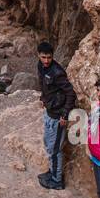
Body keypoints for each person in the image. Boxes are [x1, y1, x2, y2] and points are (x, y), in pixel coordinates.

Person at [35, 40, 75, 190]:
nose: (46, 61)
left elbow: (70, 93)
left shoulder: (57, 72)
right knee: (48, 144)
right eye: (43, 57)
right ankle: (52, 172)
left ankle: (57, 180)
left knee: (55, 149)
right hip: (49, 112)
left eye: (49, 58)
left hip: (58, 116)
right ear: (38, 55)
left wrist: (65, 115)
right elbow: (45, 86)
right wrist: (43, 98)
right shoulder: (41, 66)